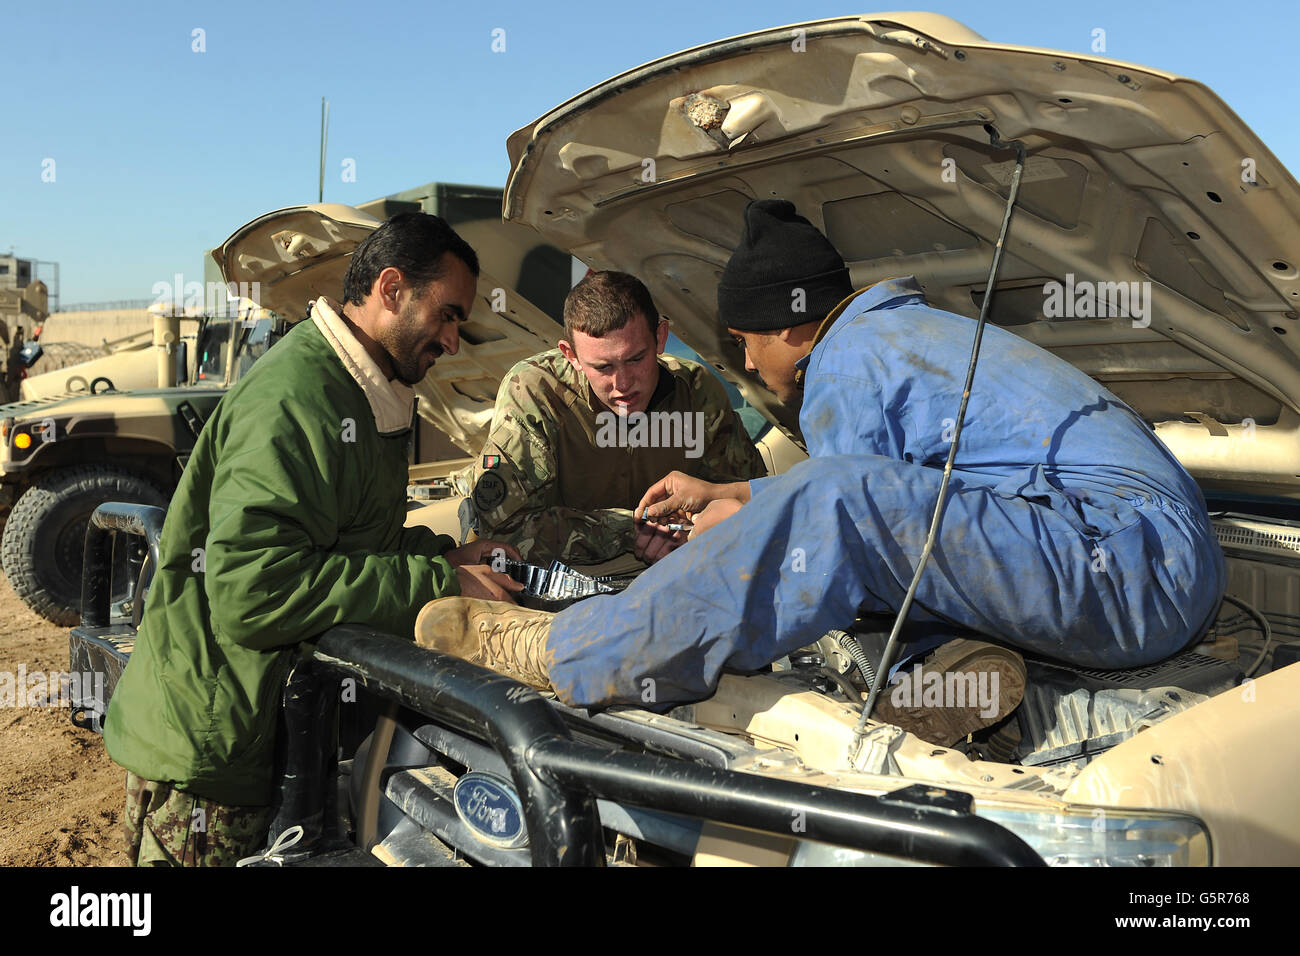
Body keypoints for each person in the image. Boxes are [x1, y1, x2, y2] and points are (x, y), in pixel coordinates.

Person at [416, 199, 1225, 738]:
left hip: (1125, 571)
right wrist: (734, 492)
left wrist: (753, 520)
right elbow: (911, 499)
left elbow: (843, 511)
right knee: (847, 511)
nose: (743, 358)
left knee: (837, 509)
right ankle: (946, 678)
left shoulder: (846, 362)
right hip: (1139, 559)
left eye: (744, 341)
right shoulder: (901, 337)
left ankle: (573, 655)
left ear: (786, 330)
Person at [103, 212, 522, 866]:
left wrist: (444, 557)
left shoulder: (355, 389)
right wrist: (438, 583)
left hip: (258, 730)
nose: (454, 341)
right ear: (391, 289)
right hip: (210, 757)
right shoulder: (298, 399)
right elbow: (255, 591)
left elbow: (340, 548)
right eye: (446, 315)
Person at [464, 270, 764, 566]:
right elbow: (500, 530)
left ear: (660, 338)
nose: (622, 384)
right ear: (571, 355)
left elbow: (755, 500)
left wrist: (700, 518)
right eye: (603, 367)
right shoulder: (535, 393)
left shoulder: (697, 391)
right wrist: (631, 530)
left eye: (636, 359)